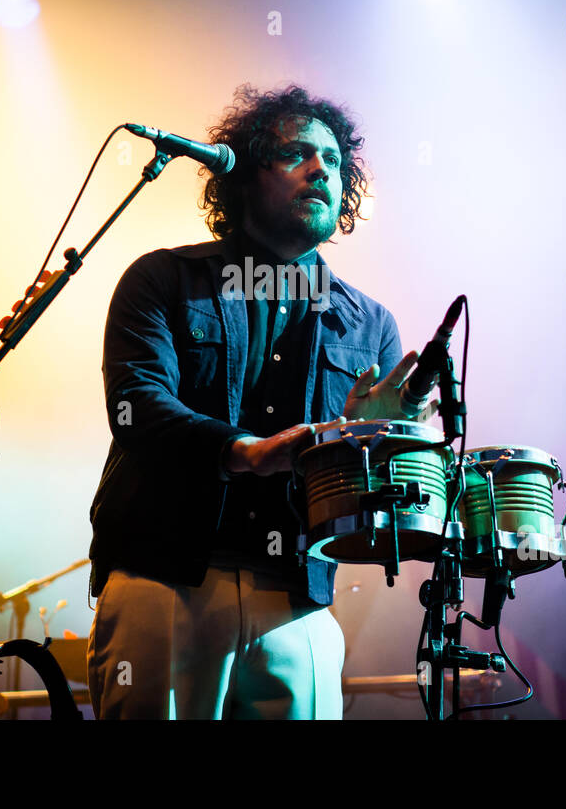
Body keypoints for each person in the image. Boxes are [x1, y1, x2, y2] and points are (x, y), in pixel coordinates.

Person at [85, 84, 433, 719]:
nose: (321, 168)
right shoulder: (163, 279)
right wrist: (245, 452)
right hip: (166, 576)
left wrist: (381, 444)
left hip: (297, 595)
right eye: (296, 153)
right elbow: (136, 406)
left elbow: (368, 476)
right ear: (242, 172)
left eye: (333, 159)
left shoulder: (370, 323)